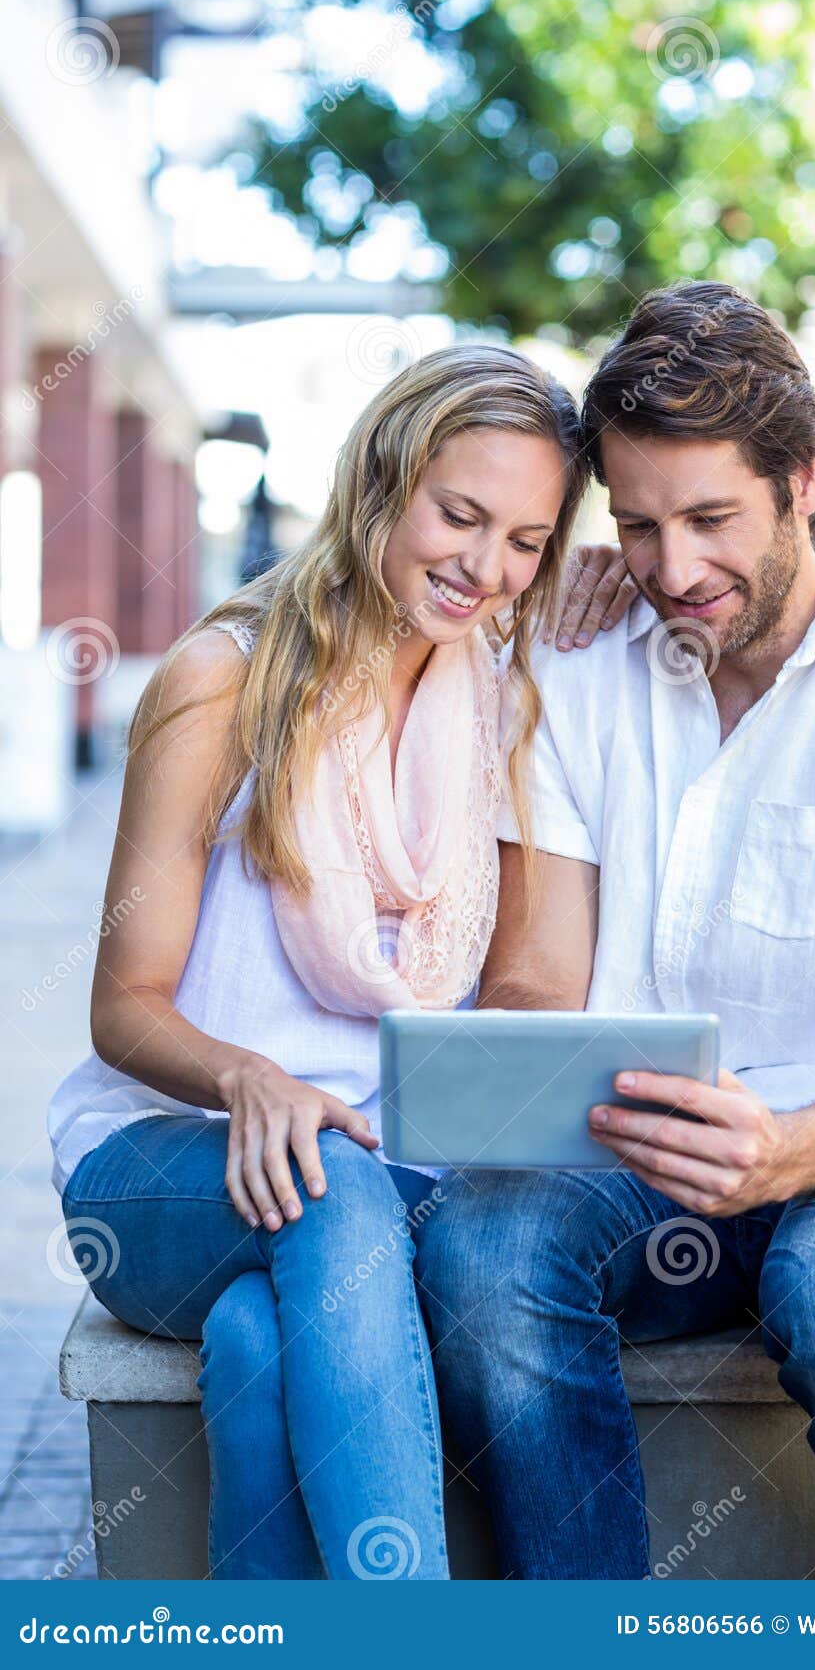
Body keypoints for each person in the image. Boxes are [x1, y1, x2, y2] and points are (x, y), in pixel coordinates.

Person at [415, 282, 815, 1581]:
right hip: (641, 1151)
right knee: (481, 1252)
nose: (671, 570)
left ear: (805, 479)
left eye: (710, 519)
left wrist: (785, 1150)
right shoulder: (578, 667)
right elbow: (536, 980)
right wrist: (535, 1084)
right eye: (636, 528)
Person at [47, 344, 608, 1580]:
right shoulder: (221, 681)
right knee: (330, 1189)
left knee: (258, 1337)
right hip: (162, 1161)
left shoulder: (506, 703)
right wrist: (251, 1078)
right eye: (457, 515)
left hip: (381, 1171)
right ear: (377, 482)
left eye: (524, 539)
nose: (483, 567)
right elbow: (121, 1005)